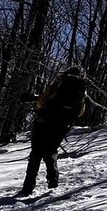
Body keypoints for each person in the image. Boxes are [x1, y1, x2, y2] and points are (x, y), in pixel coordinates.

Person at [18, 65, 88, 196]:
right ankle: (53, 182)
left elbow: (42, 101)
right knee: (51, 151)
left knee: (36, 154)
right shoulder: (82, 89)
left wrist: (39, 102)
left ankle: (27, 188)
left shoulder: (59, 82)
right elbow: (80, 111)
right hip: (62, 126)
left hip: (43, 122)